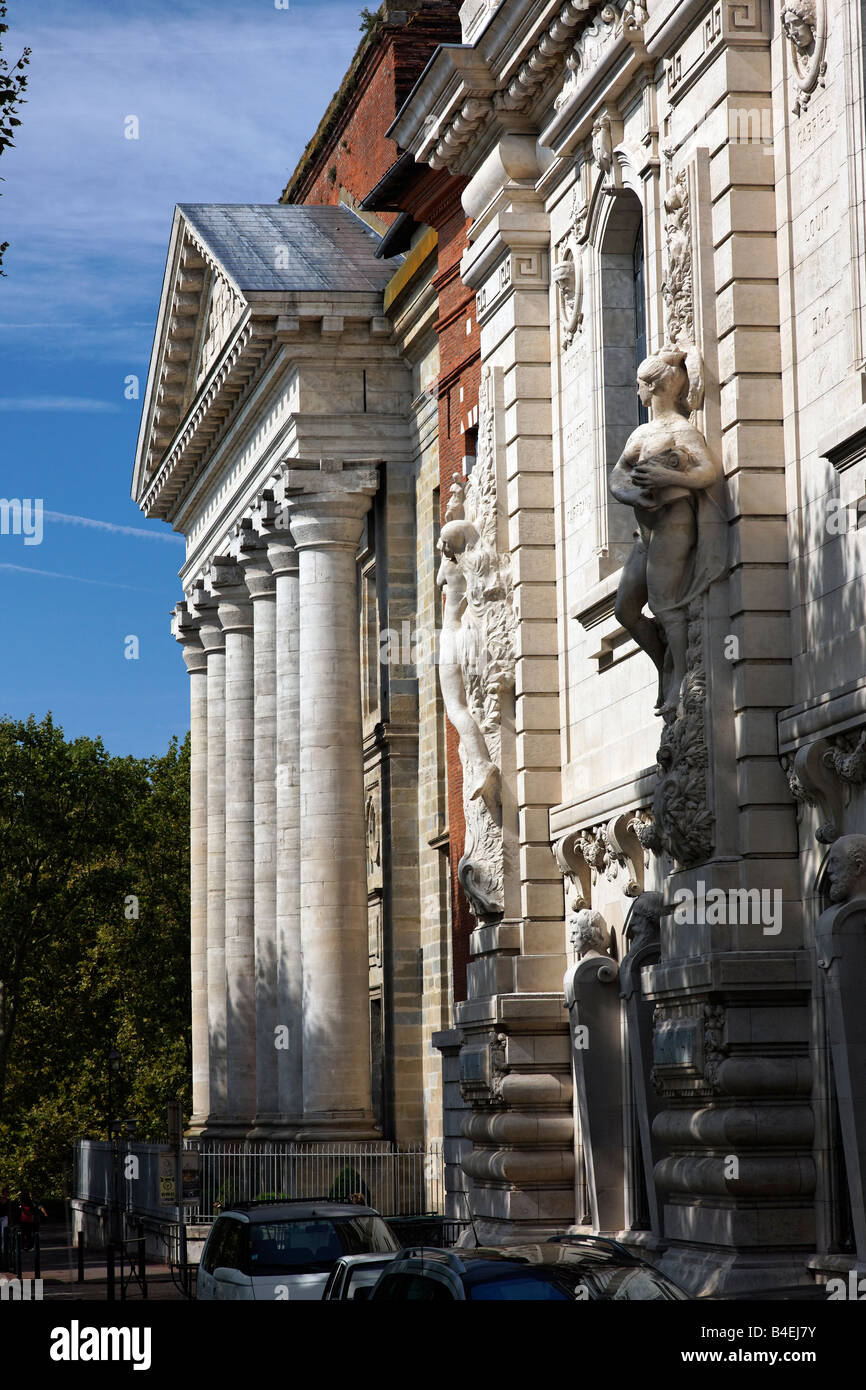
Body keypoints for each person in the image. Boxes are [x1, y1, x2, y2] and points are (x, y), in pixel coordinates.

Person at [609, 346, 726, 718]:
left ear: (655, 388)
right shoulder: (641, 432)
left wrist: (667, 477)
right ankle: (666, 665)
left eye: (640, 385)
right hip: (646, 531)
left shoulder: (681, 429)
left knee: (663, 603)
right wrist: (634, 496)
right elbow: (618, 477)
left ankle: (680, 678)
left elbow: (708, 472)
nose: (637, 392)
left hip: (675, 523)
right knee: (625, 609)